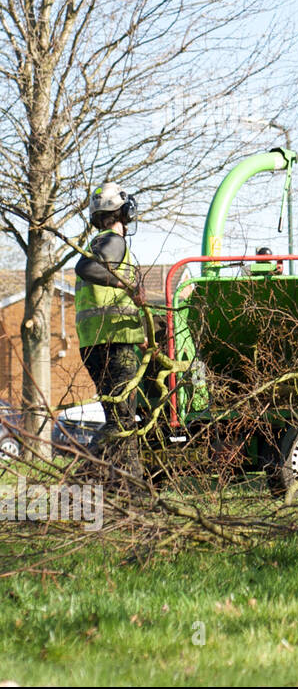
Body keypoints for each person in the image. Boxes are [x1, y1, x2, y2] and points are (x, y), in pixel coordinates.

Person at [74, 182, 147, 484]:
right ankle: (78, 479)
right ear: (125, 212)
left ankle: (122, 490)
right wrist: (126, 285)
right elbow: (86, 269)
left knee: (120, 420)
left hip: (96, 342)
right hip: (113, 345)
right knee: (123, 421)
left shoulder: (98, 242)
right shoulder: (113, 242)